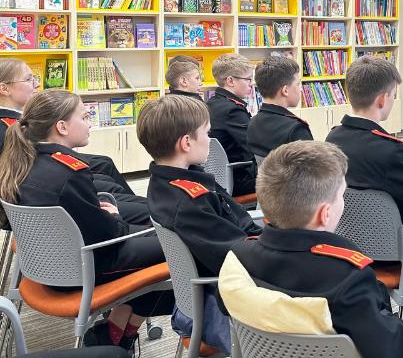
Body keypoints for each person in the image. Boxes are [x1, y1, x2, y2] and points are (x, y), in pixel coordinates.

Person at [220, 140, 403, 358]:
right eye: (342, 195)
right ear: (326, 214)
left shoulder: (238, 259)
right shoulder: (347, 280)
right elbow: (398, 348)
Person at [0, 90, 173, 351]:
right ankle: (119, 332)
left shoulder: (23, 161)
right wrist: (114, 217)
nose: (89, 122)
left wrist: (104, 216)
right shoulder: (68, 172)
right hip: (82, 269)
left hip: (46, 264)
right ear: (61, 127)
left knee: (156, 234)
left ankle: (116, 330)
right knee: (177, 246)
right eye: (84, 117)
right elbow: (108, 236)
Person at [326, 57, 403, 328]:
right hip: (394, 245)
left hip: (349, 238)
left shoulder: (333, 138)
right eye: (394, 96)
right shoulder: (389, 150)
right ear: (383, 99)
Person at [141, 93, 262, 353]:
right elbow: (235, 256)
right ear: (186, 142)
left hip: (208, 292)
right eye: (206, 133)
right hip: (218, 305)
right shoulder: (189, 202)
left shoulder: (170, 182)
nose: (210, 139)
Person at [0, 58, 150, 227]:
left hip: (38, 204)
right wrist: (115, 218)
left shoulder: (15, 126)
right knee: (143, 209)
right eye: (28, 79)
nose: (37, 84)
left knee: (109, 179)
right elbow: (107, 230)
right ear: (4, 88)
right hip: (61, 211)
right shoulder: (8, 128)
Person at [206, 54, 256, 196]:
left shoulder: (212, 103)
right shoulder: (232, 111)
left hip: (218, 178)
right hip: (239, 179)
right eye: (248, 79)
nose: (252, 83)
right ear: (230, 81)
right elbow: (254, 145)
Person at [247, 55, 312, 159]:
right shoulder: (296, 130)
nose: (301, 89)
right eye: (298, 84)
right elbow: (312, 168)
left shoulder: (252, 122)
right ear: (285, 90)